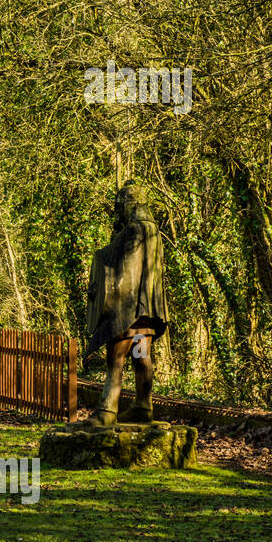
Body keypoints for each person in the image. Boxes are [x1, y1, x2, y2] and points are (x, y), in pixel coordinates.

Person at [84, 182, 169, 425]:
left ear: (129, 205)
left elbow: (121, 267)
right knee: (141, 355)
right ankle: (143, 405)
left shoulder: (133, 230)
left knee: (116, 357)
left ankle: (107, 410)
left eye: (119, 207)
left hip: (128, 310)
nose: (117, 213)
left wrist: (104, 290)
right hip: (147, 312)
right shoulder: (154, 231)